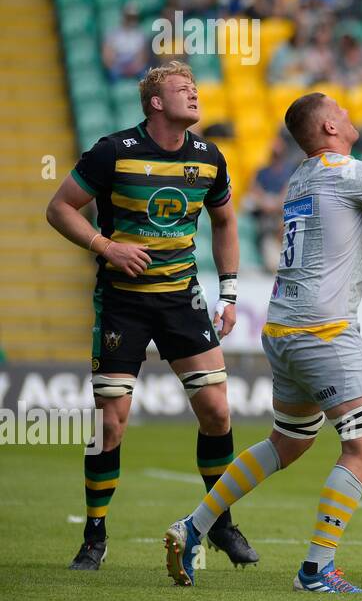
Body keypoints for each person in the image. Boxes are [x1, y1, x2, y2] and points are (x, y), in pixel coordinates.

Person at [163, 92, 362, 592]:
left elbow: (359, 193)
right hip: (325, 329)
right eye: (340, 113)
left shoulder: (304, 176)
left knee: (290, 440)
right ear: (327, 129)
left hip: (282, 328)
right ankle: (316, 569)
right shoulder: (352, 176)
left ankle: (194, 526)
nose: (350, 116)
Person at [45, 62, 258, 572]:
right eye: (180, 88)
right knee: (110, 423)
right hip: (123, 300)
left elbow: (225, 220)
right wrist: (105, 245)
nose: (193, 92)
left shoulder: (209, 158)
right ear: (155, 103)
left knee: (217, 412)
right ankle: (94, 536)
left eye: (194, 86)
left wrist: (228, 291)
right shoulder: (113, 152)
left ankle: (220, 523)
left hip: (182, 300)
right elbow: (60, 208)